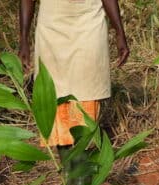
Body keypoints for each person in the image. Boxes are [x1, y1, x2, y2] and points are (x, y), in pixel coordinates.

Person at [18, 0, 129, 147]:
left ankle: (83, 156)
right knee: (55, 96)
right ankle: (69, 165)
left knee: (86, 93)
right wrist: (24, 39)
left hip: (88, 24)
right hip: (51, 28)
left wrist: (120, 33)